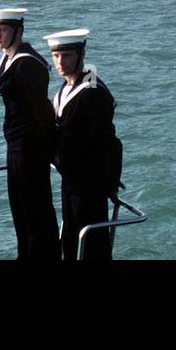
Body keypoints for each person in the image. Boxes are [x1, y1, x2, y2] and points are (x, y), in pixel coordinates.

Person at [0, 8, 59, 261]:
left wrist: (47, 152)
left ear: (18, 31)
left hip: (30, 149)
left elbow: (41, 111)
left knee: (36, 212)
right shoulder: (9, 58)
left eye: (3, 30)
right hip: (15, 146)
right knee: (20, 211)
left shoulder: (27, 64)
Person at [46, 29, 122, 262]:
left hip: (88, 184)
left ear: (82, 55)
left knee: (91, 245)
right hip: (69, 180)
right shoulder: (66, 88)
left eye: (67, 56)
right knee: (71, 238)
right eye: (56, 56)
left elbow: (108, 142)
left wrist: (109, 182)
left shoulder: (93, 92)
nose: (60, 62)